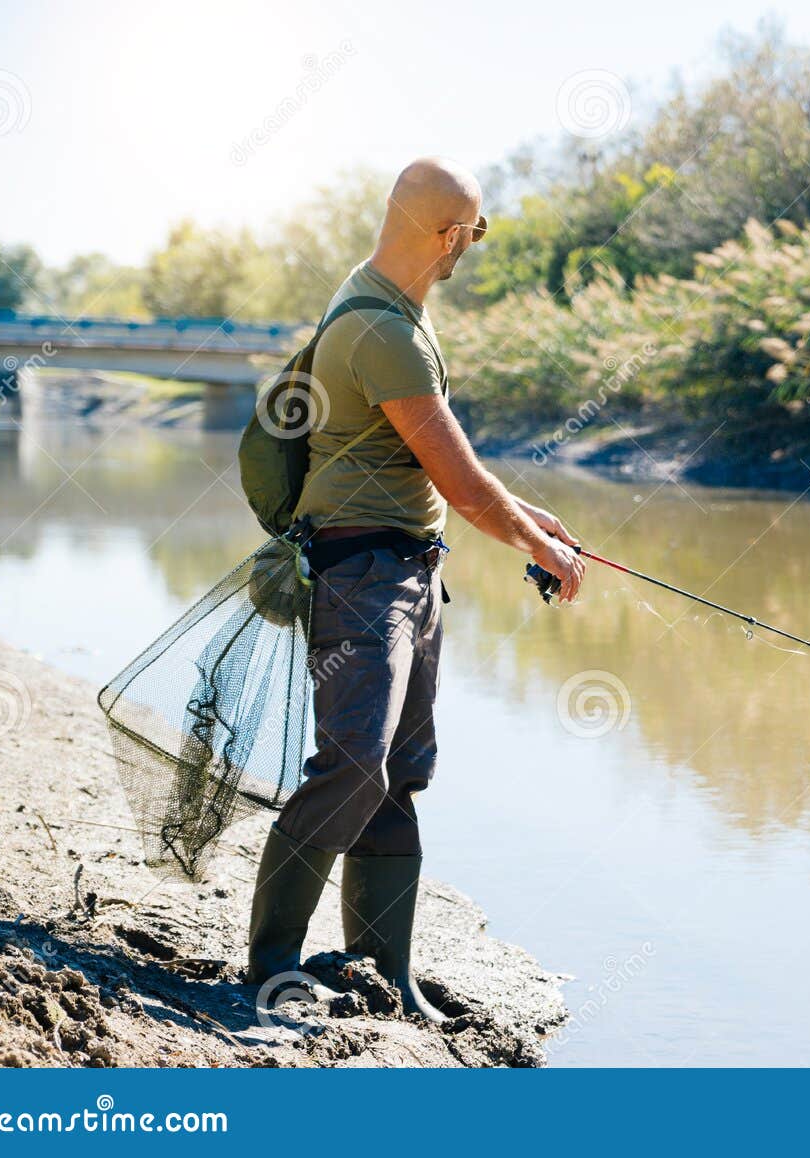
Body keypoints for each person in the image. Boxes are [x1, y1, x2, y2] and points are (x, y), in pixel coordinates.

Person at [245, 156, 585, 1019]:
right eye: (471, 234)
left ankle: (379, 967)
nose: (468, 249)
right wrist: (539, 547)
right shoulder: (382, 330)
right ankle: (273, 963)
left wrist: (531, 516)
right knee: (354, 765)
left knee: (397, 772)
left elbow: (438, 467)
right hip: (363, 578)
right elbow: (467, 490)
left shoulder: (392, 311)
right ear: (447, 235)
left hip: (409, 570)